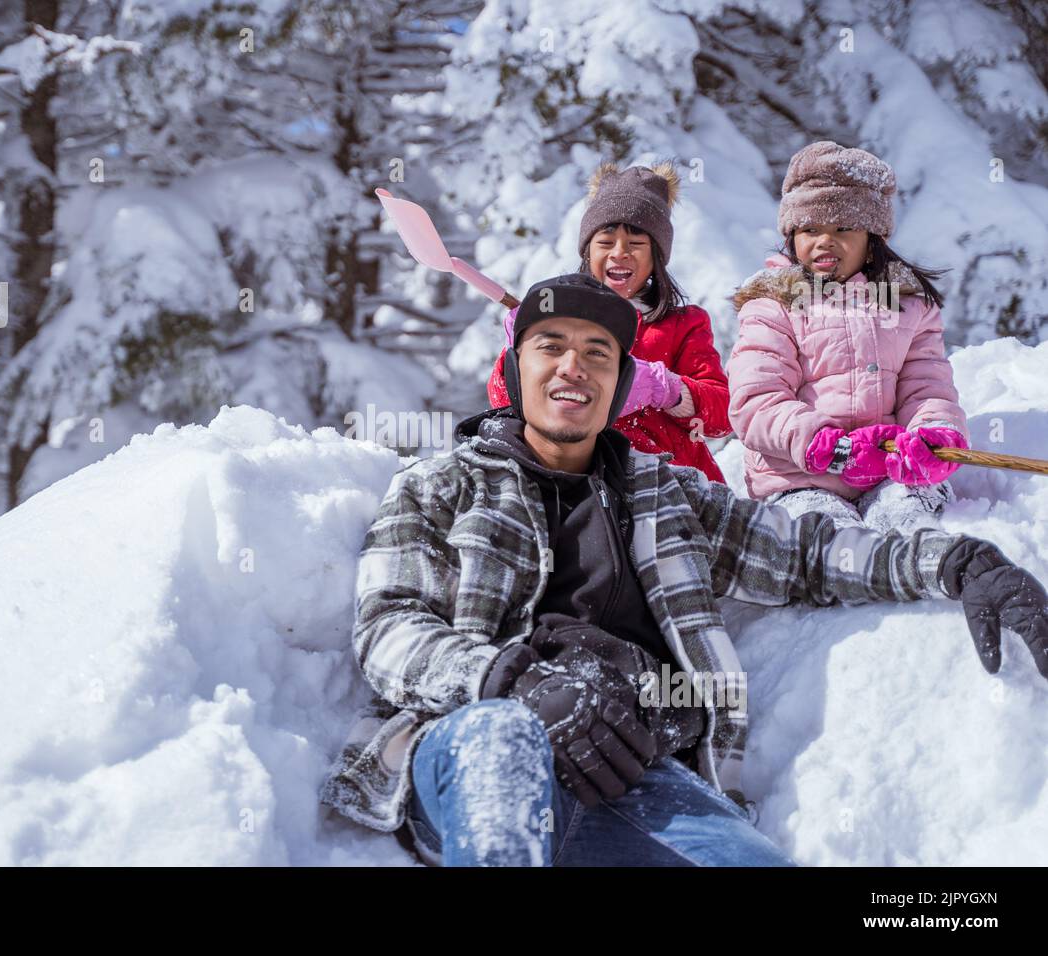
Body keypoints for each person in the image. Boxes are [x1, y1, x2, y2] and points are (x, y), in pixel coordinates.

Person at [318, 272, 1048, 867]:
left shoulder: (666, 493)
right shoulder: (440, 484)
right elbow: (389, 630)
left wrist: (955, 560)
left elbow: (803, 553)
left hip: (631, 769)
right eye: (551, 346)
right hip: (475, 748)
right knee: (502, 742)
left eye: (598, 354)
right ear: (515, 367)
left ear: (620, 381)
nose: (574, 367)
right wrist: (517, 682)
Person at [728, 140, 969, 535]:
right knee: (828, 541)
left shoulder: (907, 307)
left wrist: (933, 434)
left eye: (843, 228)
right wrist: (829, 447)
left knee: (910, 521)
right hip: (800, 477)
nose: (825, 240)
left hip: (889, 472)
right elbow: (756, 402)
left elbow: (926, 388)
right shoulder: (773, 307)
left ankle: (921, 570)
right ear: (792, 236)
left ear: (872, 240)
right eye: (810, 229)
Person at [485, 161, 732, 482]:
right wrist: (519, 354)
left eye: (636, 245)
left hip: (671, 480)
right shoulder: (556, 319)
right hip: (577, 478)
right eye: (605, 242)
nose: (620, 253)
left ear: (656, 258)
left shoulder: (683, 324)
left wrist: (667, 389)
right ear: (588, 252)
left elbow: (723, 415)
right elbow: (503, 404)